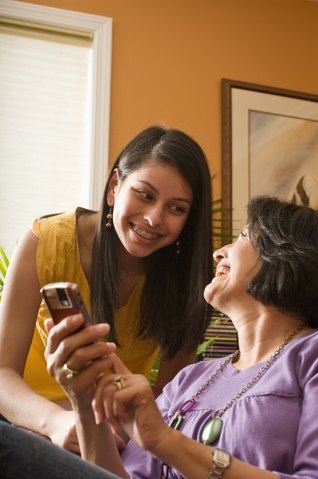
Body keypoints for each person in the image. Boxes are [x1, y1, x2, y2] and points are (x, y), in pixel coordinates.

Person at [1, 195, 318, 479]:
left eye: (243, 237)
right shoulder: (191, 379)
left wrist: (166, 441)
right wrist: (85, 400)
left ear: (289, 255)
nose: (219, 253)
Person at [0, 125, 213, 453]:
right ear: (115, 187)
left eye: (176, 208)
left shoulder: (187, 282)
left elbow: (170, 400)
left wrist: (112, 433)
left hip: (114, 438)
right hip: (26, 420)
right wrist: (57, 422)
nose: (154, 218)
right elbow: (2, 373)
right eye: (145, 194)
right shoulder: (47, 241)